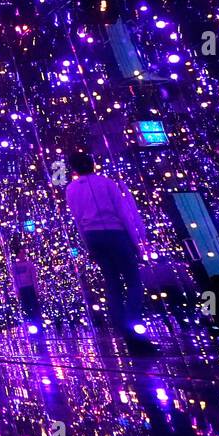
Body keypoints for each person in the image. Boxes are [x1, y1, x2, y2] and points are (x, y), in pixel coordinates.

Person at [64, 151, 157, 354]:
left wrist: (88, 245)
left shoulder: (71, 189)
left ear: (74, 168)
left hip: (93, 237)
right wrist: (135, 241)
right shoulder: (106, 183)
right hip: (116, 233)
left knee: (112, 283)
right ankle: (133, 325)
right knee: (133, 281)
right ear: (93, 164)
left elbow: (77, 219)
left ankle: (124, 330)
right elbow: (123, 211)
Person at [12, 245, 43, 328]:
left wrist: (36, 289)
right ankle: (29, 324)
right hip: (22, 289)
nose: (22, 255)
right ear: (17, 254)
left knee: (34, 306)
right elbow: (15, 279)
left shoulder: (29, 264)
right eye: (20, 253)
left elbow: (34, 277)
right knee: (26, 307)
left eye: (23, 253)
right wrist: (17, 290)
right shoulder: (14, 266)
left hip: (30, 288)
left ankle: (38, 324)